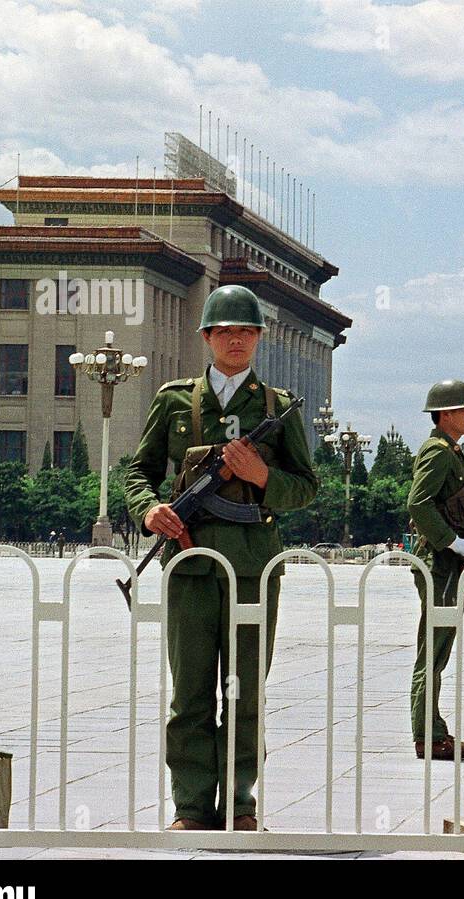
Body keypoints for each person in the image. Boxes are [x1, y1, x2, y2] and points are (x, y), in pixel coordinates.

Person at [124, 284, 318, 831]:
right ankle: (189, 807)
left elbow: (306, 486)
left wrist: (263, 478)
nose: (236, 340)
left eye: (246, 331)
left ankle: (239, 804)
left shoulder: (276, 407)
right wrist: (149, 510)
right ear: (207, 337)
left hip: (254, 568)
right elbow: (139, 472)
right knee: (189, 694)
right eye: (225, 331)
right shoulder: (174, 400)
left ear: (258, 339)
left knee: (245, 691)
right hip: (190, 564)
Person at [405, 379, 464, 760]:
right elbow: (419, 504)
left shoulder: (453, 452)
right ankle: (427, 735)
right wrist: (451, 541)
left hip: (448, 562)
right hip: (440, 563)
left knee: (439, 649)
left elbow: (445, 502)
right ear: (446, 414)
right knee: (433, 650)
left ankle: (433, 730)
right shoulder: (439, 452)